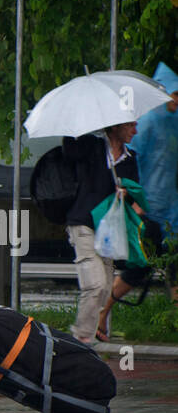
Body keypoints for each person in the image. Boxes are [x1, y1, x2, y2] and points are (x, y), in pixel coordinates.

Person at [97, 61, 178, 332]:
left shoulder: (174, 121)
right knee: (138, 268)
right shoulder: (146, 123)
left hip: (171, 212)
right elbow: (126, 160)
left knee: (175, 266)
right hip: (146, 210)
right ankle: (102, 312)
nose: (177, 100)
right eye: (175, 94)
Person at [62, 121, 140, 343]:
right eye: (131, 126)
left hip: (108, 232)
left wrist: (125, 193)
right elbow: (70, 152)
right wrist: (74, 126)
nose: (135, 131)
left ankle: (91, 335)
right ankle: (81, 338)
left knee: (105, 287)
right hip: (83, 223)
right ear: (116, 127)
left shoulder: (130, 158)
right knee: (94, 284)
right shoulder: (92, 147)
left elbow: (134, 192)